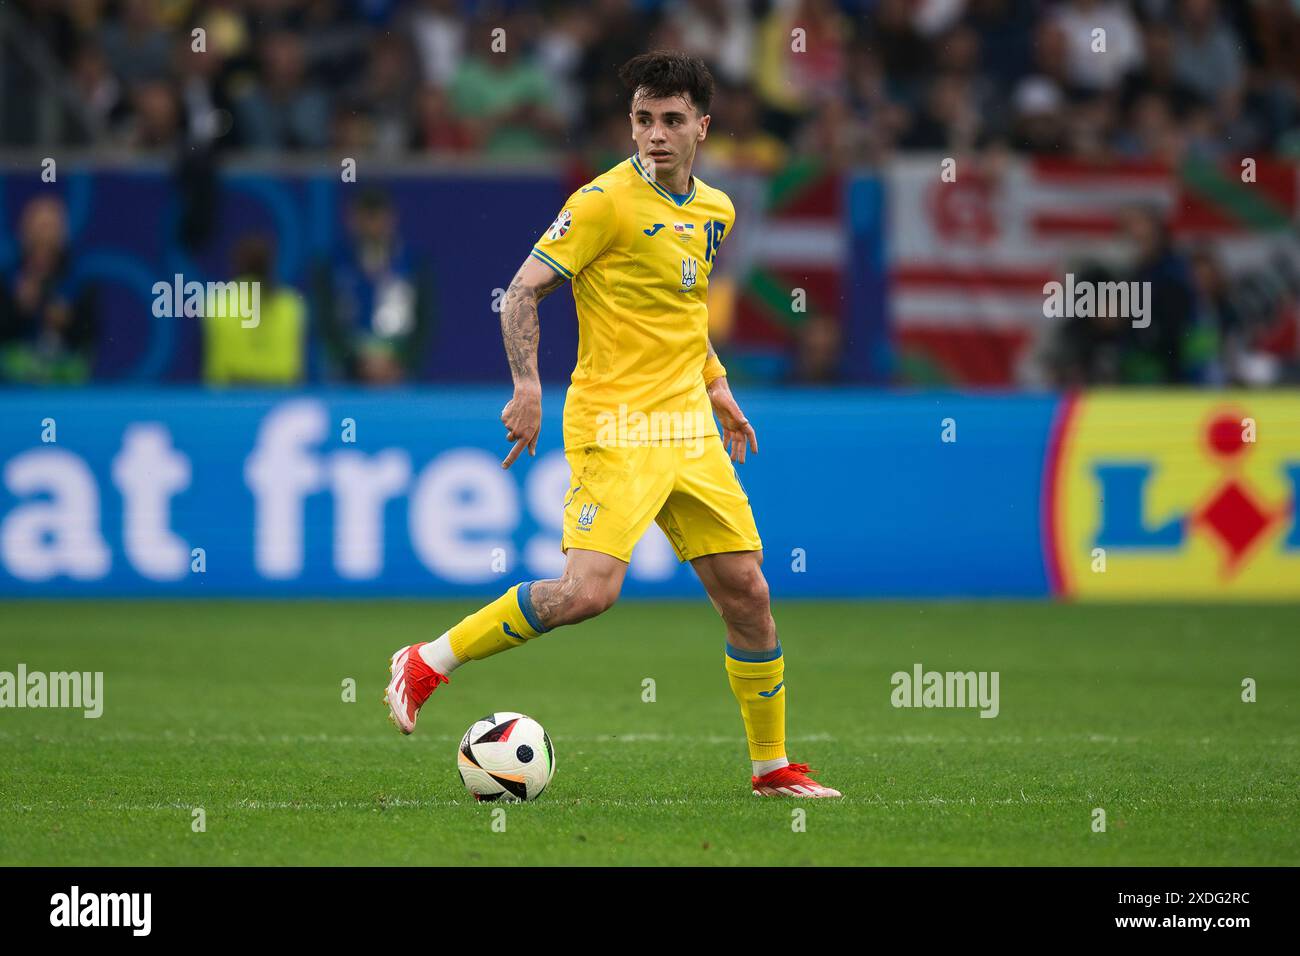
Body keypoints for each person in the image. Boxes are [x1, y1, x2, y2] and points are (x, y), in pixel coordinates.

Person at [384, 51, 840, 799]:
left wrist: (718, 385)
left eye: (669, 120)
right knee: (588, 594)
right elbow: (521, 293)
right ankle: (428, 659)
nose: (654, 135)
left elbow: (682, 315)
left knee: (748, 592)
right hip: (616, 424)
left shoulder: (716, 212)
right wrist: (527, 386)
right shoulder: (603, 203)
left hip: (688, 427)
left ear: (702, 126)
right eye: (641, 120)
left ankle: (772, 769)